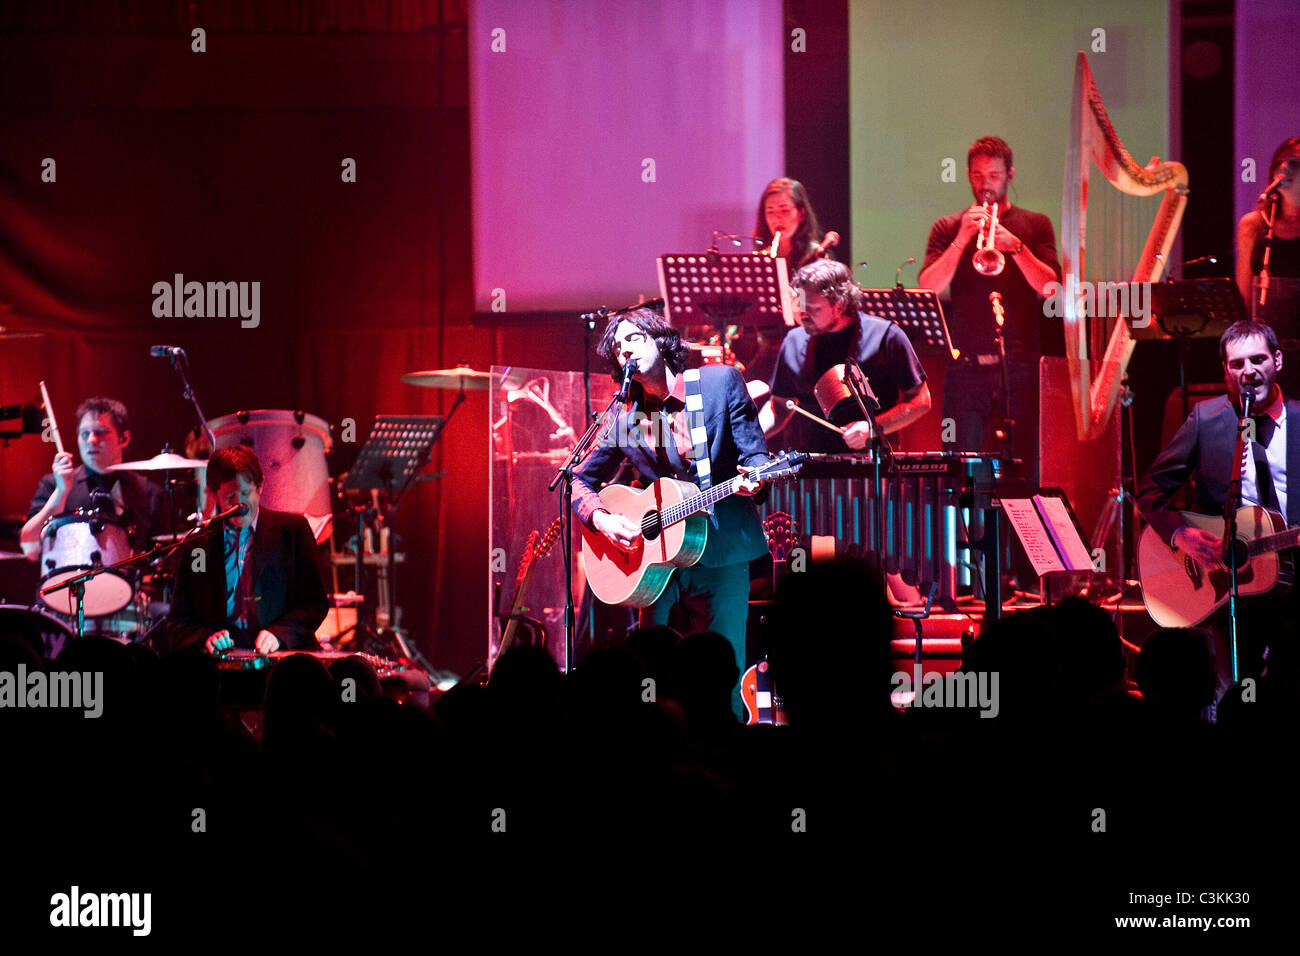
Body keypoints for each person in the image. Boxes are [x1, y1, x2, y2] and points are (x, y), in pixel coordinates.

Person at [572, 308, 771, 719]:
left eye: (633, 338)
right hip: (654, 564)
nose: (624, 348)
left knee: (722, 679)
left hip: (719, 550)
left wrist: (757, 479)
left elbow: (757, 458)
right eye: (616, 346)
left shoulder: (717, 384)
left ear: (660, 341)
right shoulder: (625, 415)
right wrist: (603, 519)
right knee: (651, 677)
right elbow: (579, 481)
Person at [1137, 320, 1298, 697]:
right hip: (1230, 585)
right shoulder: (1206, 420)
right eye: (1237, 364)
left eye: (1258, 359)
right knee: (1238, 691)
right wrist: (1180, 534)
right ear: (1225, 370)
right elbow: (1151, 490)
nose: (1249, 371)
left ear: (1277, 360)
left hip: (1295, 580)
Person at [918, 136, 1061, 488]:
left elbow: (1051, 289)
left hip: (1022, 367)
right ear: (967, 176)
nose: (986, 185)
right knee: (961, 470)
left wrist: (1016, 247)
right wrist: (962, 240)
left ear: (1010, 174)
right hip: (966, 368)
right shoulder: (947, 227)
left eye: (994, 175)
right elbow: (928, 288)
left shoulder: (1036, 224)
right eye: (978, 176)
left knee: (1025, 470)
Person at [165, 445, 327, 655]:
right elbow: (178, 620)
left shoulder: (293, 531)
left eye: (245, 492)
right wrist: (206, 638)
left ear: (260, 486)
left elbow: (315, 604)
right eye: (229, 496)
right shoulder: (197, 544)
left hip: (281, 659)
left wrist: (279, 634)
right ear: (215, 496)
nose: (239, 504)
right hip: (224, 664)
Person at [768, 258, 931, 454]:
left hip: (873, 464)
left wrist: (872, 428)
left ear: (840, 304)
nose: (802, 314)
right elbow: (779, 407)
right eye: (800, 304)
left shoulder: (886, 336)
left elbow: (920, 401)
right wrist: (747, 438)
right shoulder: (793, 341)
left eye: (813, 307)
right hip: (810, 465)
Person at [20, 396, 163, 558]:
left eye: (101, 432)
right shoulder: (52, 484)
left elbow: (165, 560)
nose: (92, 440)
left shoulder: (149, 493)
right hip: (71, 582)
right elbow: (29, 549)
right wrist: (60, 493)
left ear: (124, 438)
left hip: (132, 582)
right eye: (85, 433)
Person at [1236, 137, 1300, 398]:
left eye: (1294, 164)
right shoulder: (1254, 226)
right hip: (1267, 359)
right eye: (1280, 163)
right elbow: (1243, 299)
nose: (1284, 169)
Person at [753, 177, 835, 270]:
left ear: (801, 214)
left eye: (784, 210)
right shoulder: (762, 256)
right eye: (770, 212)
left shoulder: (817, 256)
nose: (777, 218)